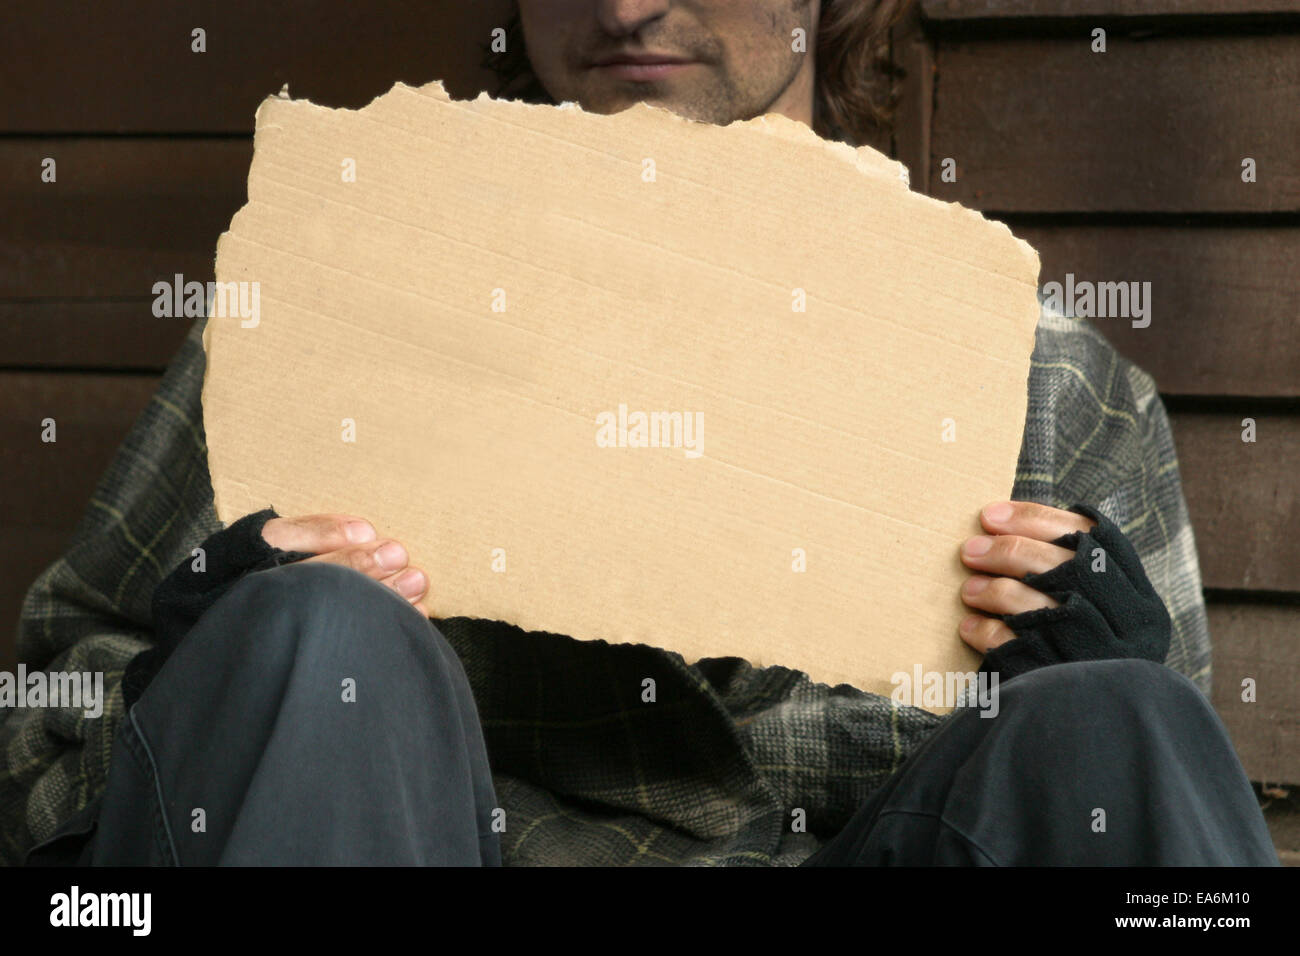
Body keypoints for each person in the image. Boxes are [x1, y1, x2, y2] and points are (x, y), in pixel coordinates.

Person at [1, 0, 1275, 866]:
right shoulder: (322, 324)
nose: (621, 1)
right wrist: (204, 683)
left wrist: (1111, 694)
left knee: (1118, 716)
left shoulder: (1052, 388)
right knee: (312, 633)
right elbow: (33, 777)